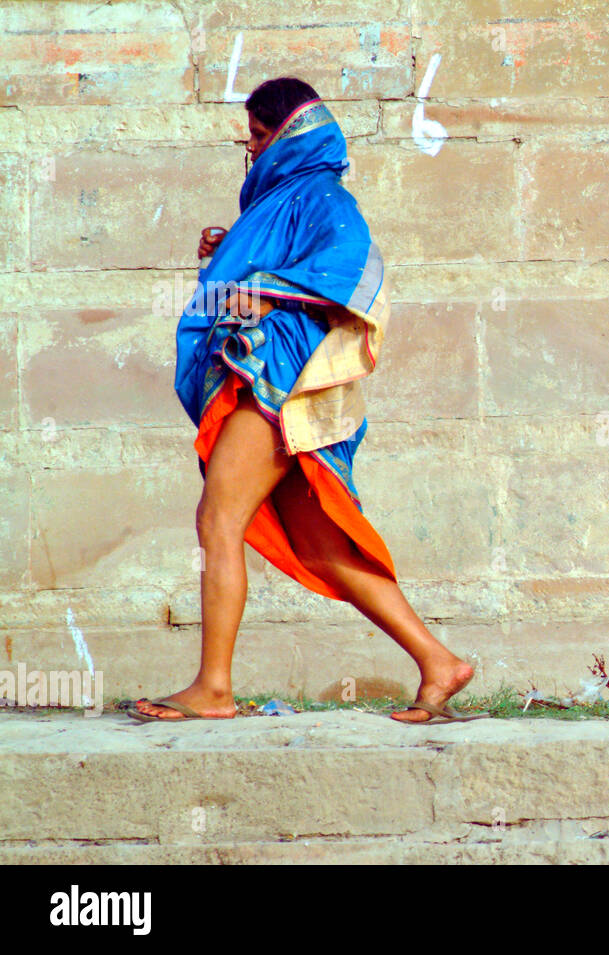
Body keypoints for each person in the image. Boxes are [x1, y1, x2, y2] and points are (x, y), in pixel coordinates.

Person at [130, 77, 481, 724]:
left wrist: (260, 288)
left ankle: (213, 686)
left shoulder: (322, 195)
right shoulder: (283, 200)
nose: (252, 150)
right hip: (275, 379)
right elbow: (280, 270)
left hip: (275, 379)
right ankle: (438, 660)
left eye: (261, 136)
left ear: (290, 133)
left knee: (219, 520)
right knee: (324, 549)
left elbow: (349, 267)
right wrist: (230, 256)